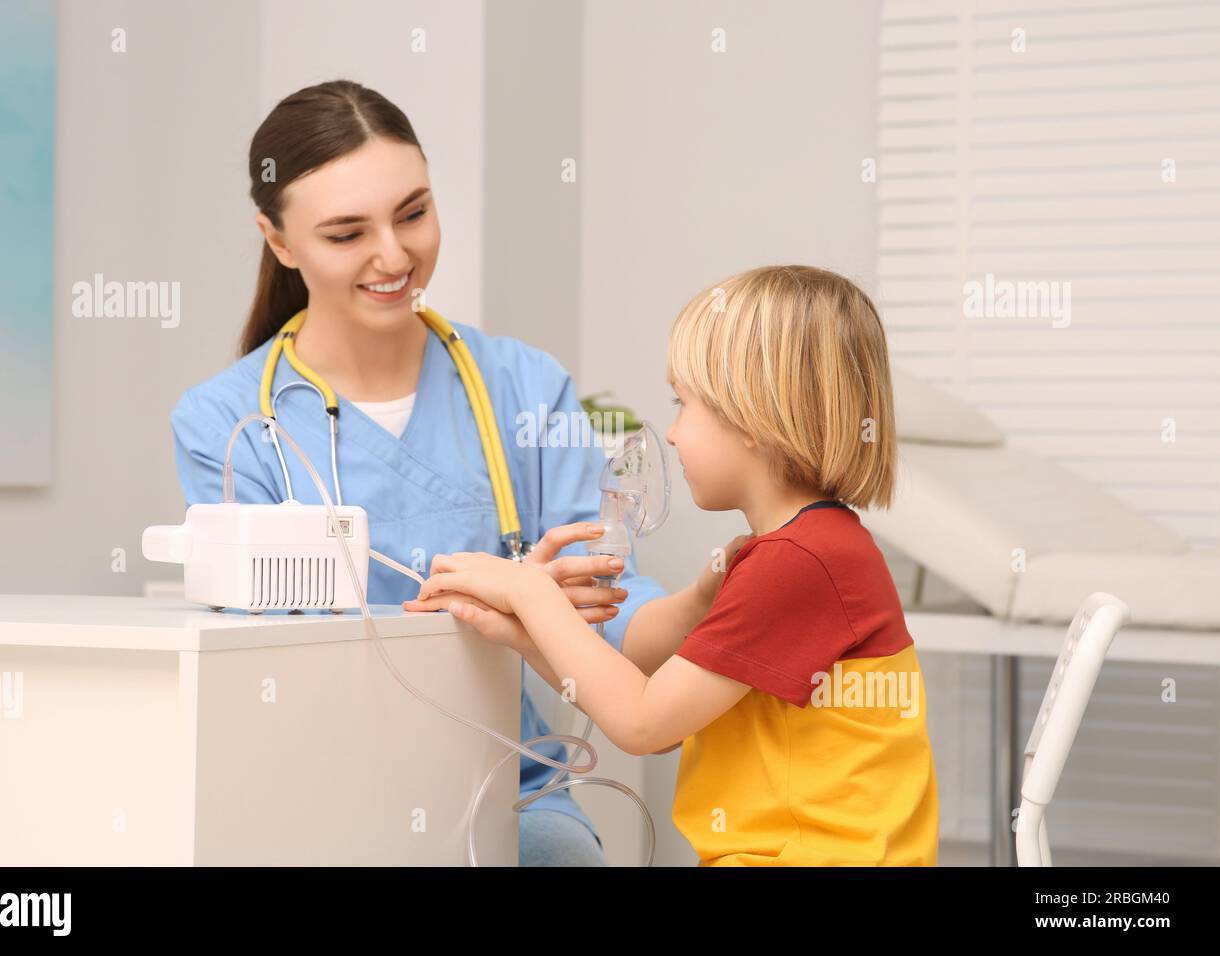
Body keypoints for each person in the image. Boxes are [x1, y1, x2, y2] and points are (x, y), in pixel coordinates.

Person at [168, 79, 666, 866]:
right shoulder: (228, 426)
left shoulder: (528, 388)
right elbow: (264, 661)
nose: (395, 257)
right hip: (318, 787)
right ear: (279, 240)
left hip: (511, 782)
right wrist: (513, 602)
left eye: (413, 213)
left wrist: (712, 606)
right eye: (345, 234)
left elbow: (610, 598)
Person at [415, 265, 940, 865]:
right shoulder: (803, 549)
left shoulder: (798, 563)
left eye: (683, 404)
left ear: (752, 414)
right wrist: (520, 634)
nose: (669, 433)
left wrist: (530, 592)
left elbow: (643, 727)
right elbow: (657, 706)